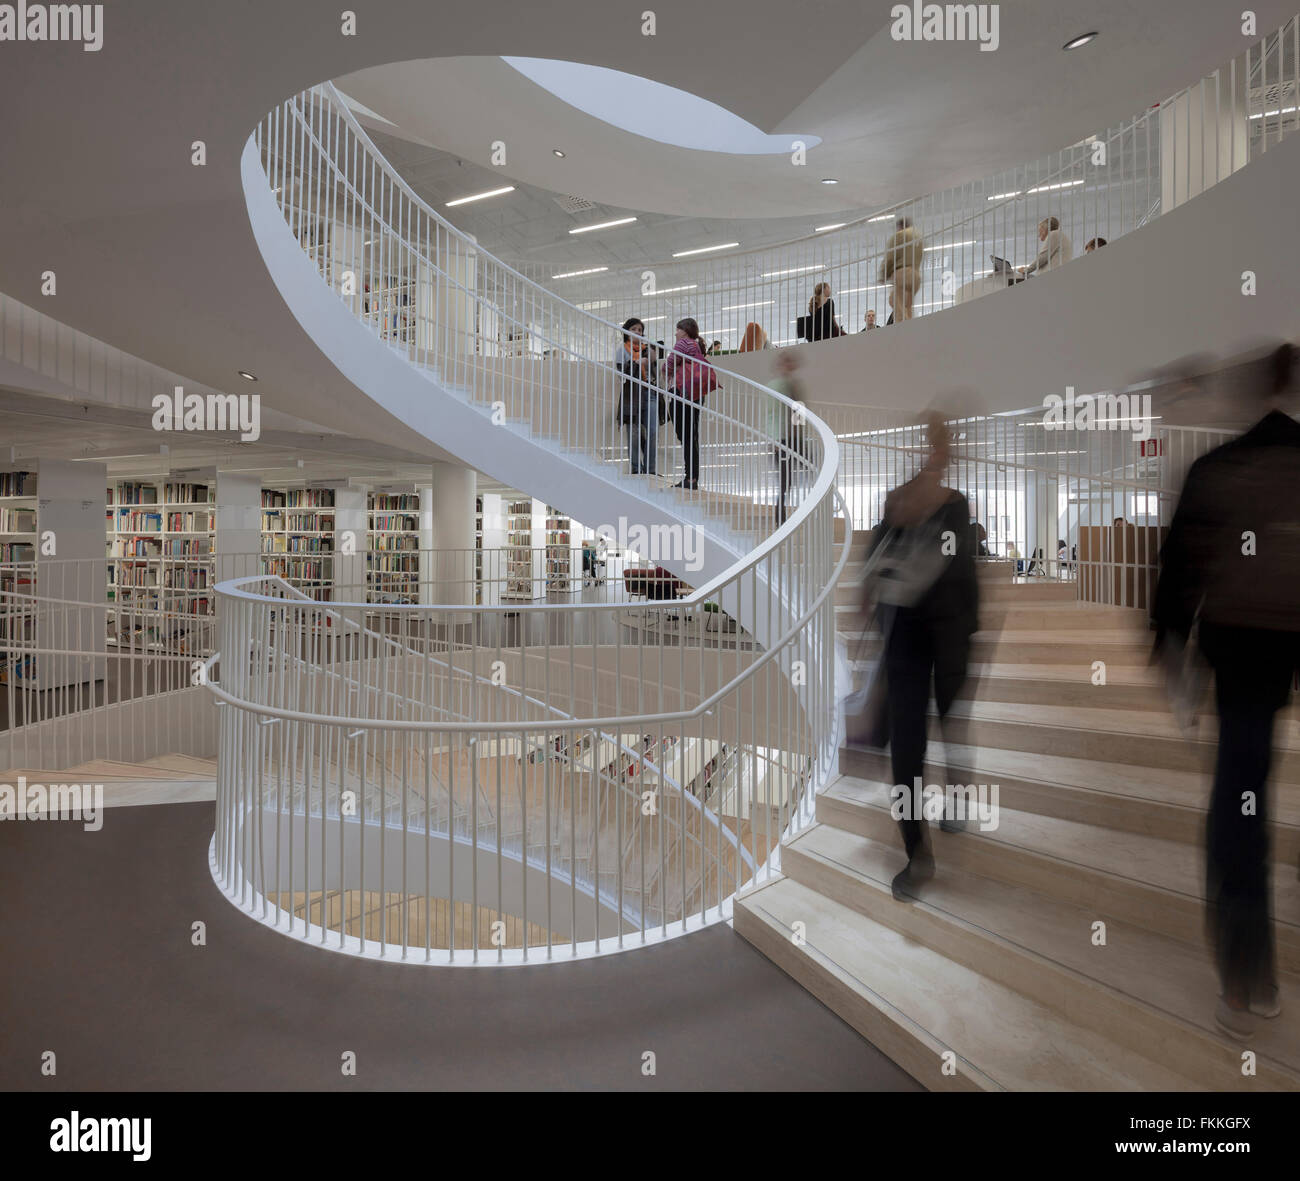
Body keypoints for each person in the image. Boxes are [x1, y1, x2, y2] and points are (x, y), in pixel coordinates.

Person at [1152, 342, 1299, 1040]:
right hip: (1275, 661)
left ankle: (1247, 979)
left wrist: (1175, 662)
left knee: (1238, 813)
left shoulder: (1219, 469)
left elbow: (1175, 581)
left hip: (1241, 667)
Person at [866, 413, 979, 901]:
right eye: (934, 441)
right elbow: (874, 565)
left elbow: (962, 573)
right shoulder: (898, 501)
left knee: (952, 726)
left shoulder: (955, 507)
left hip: (950, 636)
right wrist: (867, 624)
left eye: (945, 442)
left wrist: (974, 631)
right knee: (908, 752)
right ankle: (918, 854)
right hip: (907, 643)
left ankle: (956, 797)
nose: (939, 450)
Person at [663, 317, 716, 490]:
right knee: (691, 437)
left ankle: (690, 478)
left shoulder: (683, 343)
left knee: (685, 437)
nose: (676, 332)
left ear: (685, 330)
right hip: (695, 394)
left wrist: (665, 369)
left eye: (678, 329)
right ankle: (692, 478)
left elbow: (668, 366)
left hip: (681, 393)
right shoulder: (696, 345)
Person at [766, 350, 807, 525]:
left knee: (809, 466)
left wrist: (799, 432)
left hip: (793, 438)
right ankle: (780, 519)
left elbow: (799, 412)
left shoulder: (793, 385)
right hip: (781, 439)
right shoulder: (776, 385)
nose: (790, 366)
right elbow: (771, 413)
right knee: (785, 481)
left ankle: (811, 506)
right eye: (786, 362)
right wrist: (773, 439)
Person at [615, 317, 658, 475]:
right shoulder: (622, 349)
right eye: (634, 329)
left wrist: (651, 357)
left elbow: (655, 371)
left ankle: (650, 469)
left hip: (650, 392)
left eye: (640, 330)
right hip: (632, 395)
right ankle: (636, 468)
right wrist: (636, 363)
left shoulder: (647, 349)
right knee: (633, 433)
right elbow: (621, 374)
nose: (637, 332)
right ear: (627, 331)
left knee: (652, 432)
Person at [879, 216, 924, 321]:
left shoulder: (900, 235)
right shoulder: (918, 238)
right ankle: (909, 323)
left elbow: (890, 256)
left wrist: (883, 275)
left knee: (896, 301)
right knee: (908, 304)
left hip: (902, 273)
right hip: (915, 274)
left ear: (900, 227)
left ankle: (902, 327)